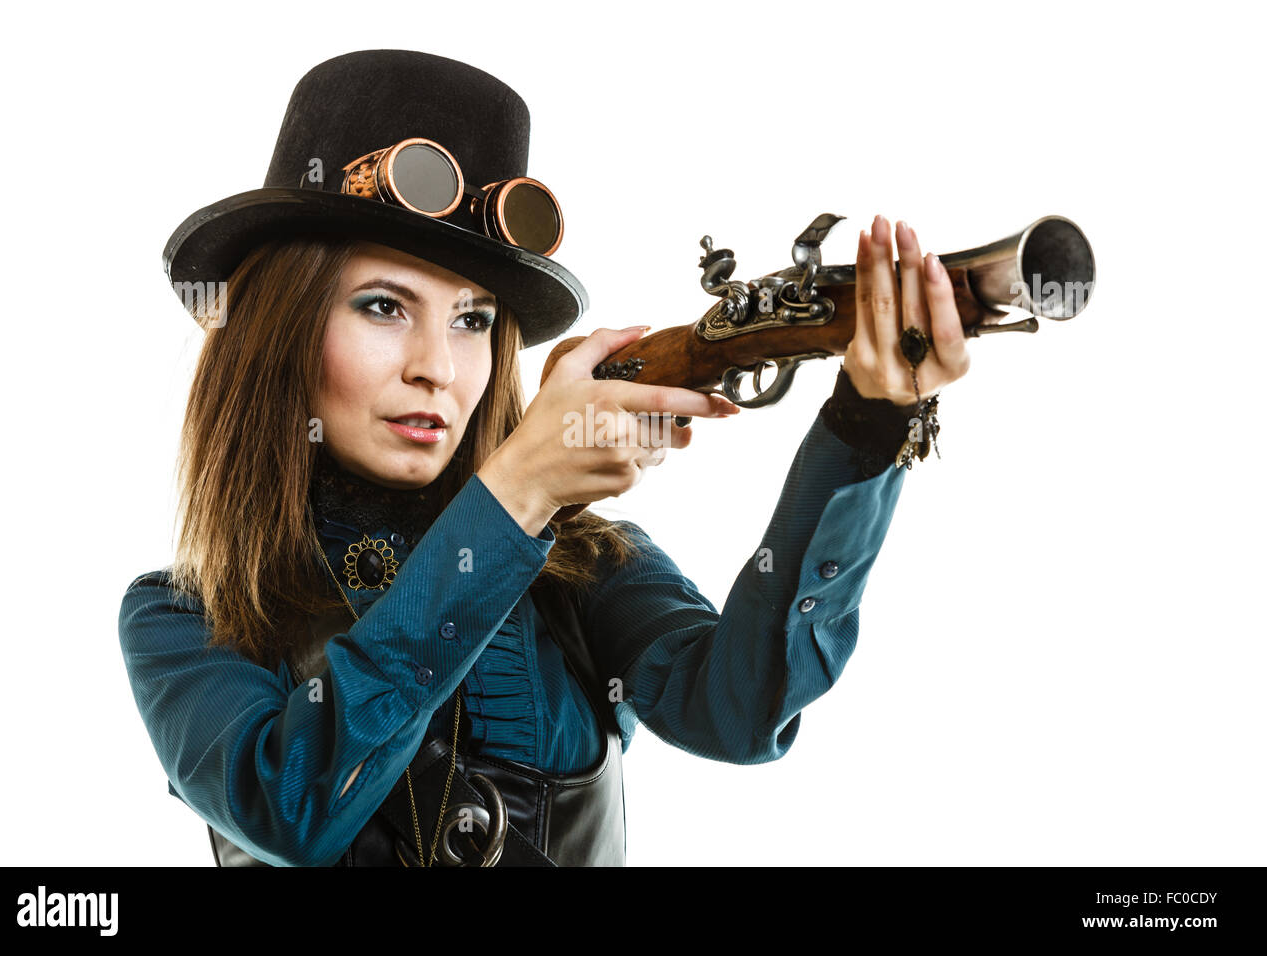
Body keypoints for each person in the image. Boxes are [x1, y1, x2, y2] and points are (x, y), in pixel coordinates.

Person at [118, 49, 970, 867]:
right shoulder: (180, 619)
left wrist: (868, 422)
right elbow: (293, 805)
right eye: (383, 307)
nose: (437, 366)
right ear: (282, 333)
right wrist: (517, 495)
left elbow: (743, 713)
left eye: (473, 320)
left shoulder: (584, 564)